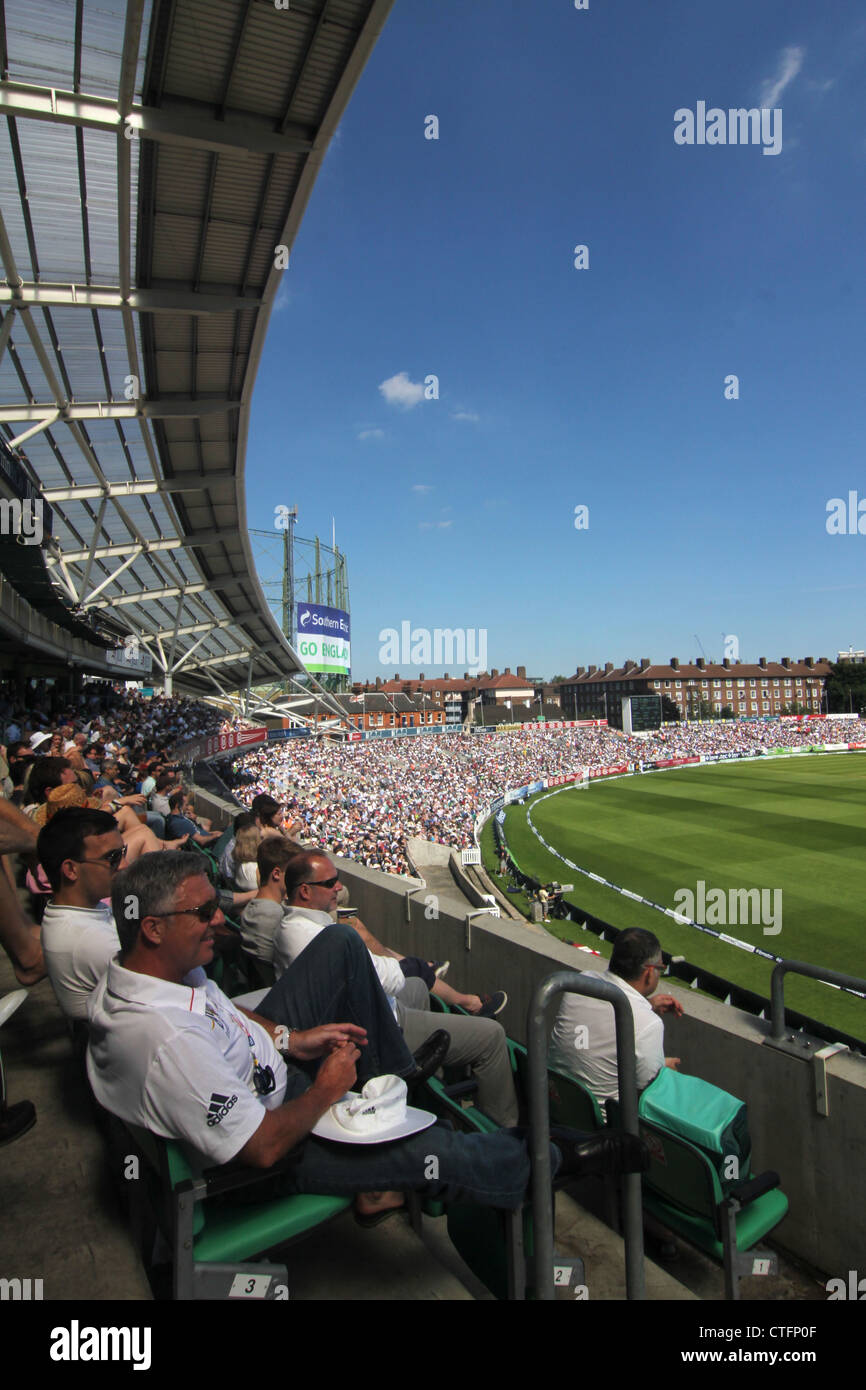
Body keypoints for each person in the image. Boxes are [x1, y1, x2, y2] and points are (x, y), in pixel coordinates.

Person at [87, 853, 647, 1220]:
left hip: (271, 1073)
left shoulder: (153, 973)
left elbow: (229, 1017)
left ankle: (397, 1077)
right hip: (271, 1146)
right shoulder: (167, 1042)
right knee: (433, 1149)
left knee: (340, 944)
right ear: (154, 927)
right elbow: (259, 1148)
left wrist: (290, 1039)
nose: (219, 918)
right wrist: (328, 1087)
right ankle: (553, 1160)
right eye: (203, 911)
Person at [270, 850, 518, 1125]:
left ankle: (426, 1099)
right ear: (304, 891)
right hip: (376, 1030)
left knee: (418, 985)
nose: (338, 888)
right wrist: (381, 958)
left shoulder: (295, 925)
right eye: (330, 883)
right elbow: (384, 976)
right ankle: (506, 1137)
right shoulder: (311, 935)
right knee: (493, 1036)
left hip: (369, 1013)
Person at [548, 928, 683, 1103]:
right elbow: (648, 1093)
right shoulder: (649, 1024)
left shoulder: (581, 981)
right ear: (649, 972)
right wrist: (665, 1072)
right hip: (599, 1125)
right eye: (660, 969)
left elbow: (600, 1028)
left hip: (552, 1101)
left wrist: (646, 1004)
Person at [38, 808, 126, 1020]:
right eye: (113, 858)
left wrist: (130, 898)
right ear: (71, 870)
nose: (123, 865)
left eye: (123, 853)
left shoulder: (76, 911)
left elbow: (127, 920)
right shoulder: (92, 942)